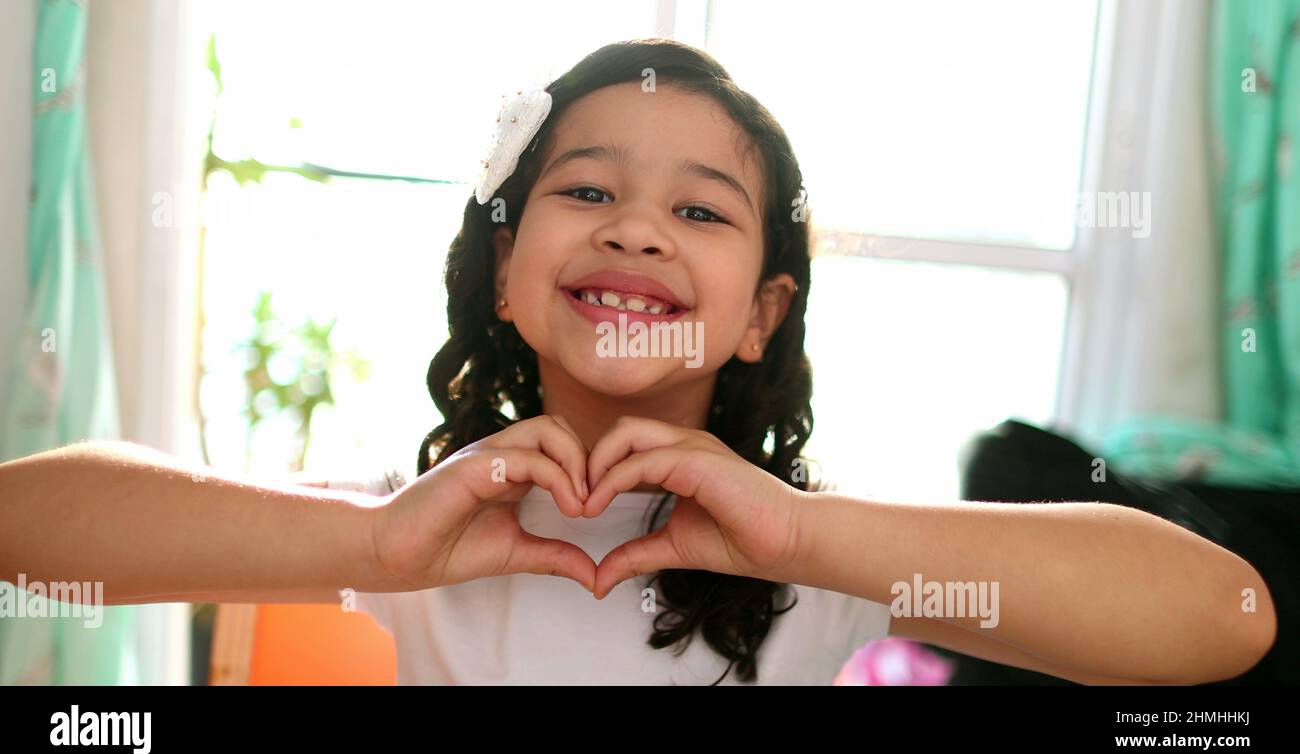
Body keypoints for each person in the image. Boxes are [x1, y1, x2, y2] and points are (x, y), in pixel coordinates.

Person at [0, 39, 1276, 686]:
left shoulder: (815, 558)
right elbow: (22, 535)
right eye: (589, 187)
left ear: (761, 313)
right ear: (505, 275)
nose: (637, 228)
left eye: (703, 211)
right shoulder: (416, 529)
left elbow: (1226, 619)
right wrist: (370, 546)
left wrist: (805, 539)